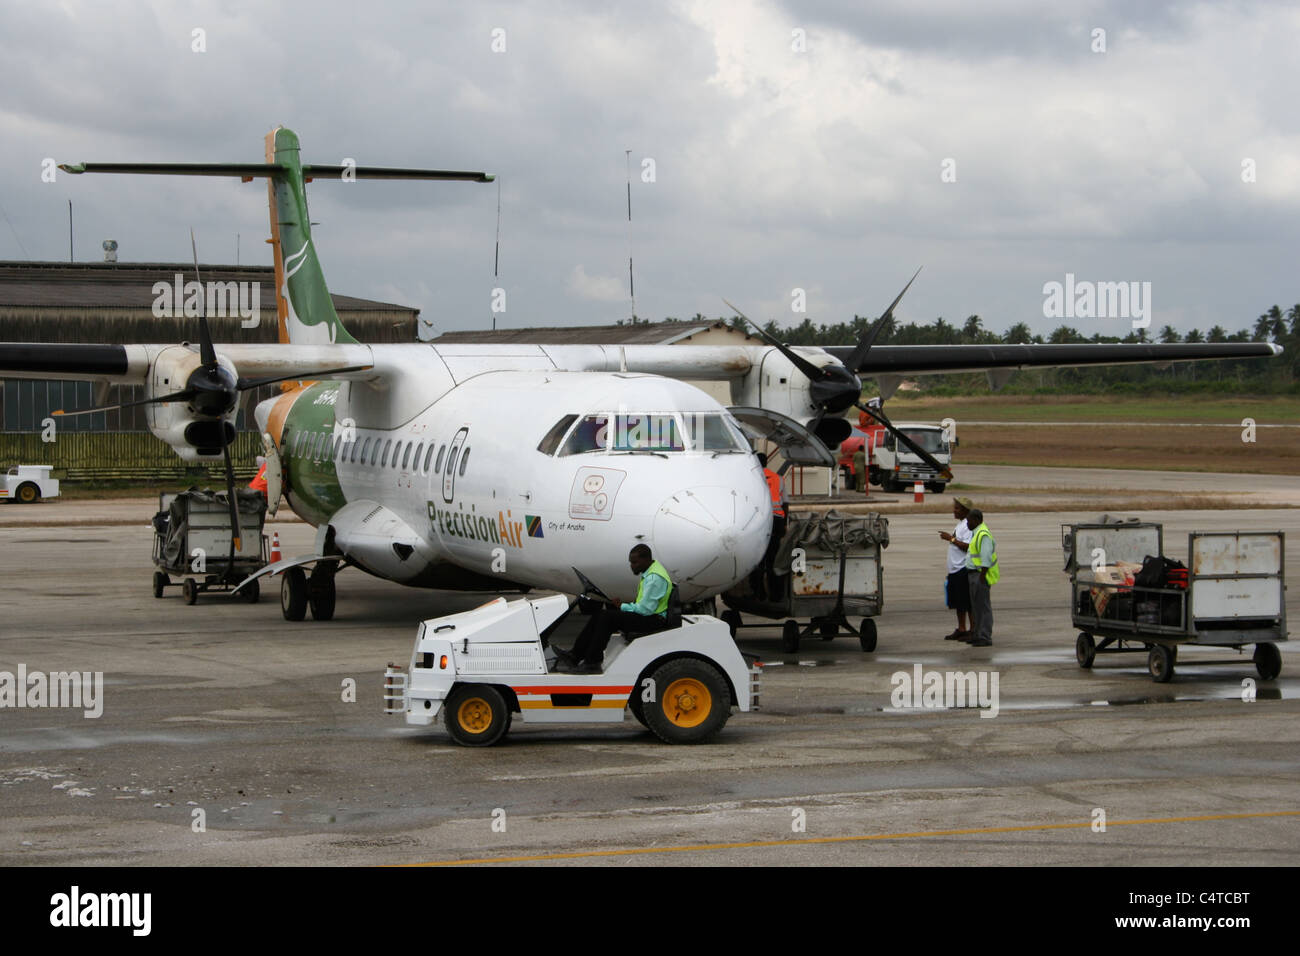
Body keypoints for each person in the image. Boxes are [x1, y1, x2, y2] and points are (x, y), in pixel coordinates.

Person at [557, 544, 674, 673]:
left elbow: (645, 610)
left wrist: (622, 606)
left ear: (646, 559)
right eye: (630, 562)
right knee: (600, 614)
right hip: (650, 615)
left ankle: (593, 663)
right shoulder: (651, 571)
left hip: (653, 620)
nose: (632, 566)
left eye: (635, 562)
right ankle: (575, 655)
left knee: (607, 618)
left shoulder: (654, 578)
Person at [751, 451, 787, 600]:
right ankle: (776, 595)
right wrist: (785, 523)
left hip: (759, 522)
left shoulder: (751, 478)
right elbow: (785, 503)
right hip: (777, 520)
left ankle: (758, 594)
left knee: (757, 561)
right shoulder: (778, 478)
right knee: (773, 561)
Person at [937, 496, 974, 640]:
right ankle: (962, 628)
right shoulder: (960, 524)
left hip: (962, 568)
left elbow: (968, 547)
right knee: (959, 602)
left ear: (965, 511)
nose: (954, 510)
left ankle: (973, 629)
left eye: (957, 508)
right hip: (955, 569)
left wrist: (950, 539)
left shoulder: (968, 525)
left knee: (967, 602)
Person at [963, 508, 999, 647]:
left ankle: (985, 636)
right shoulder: (977, 532)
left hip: (979, 575)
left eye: (969, 521)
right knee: (976, 607)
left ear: (976, 520)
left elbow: (986, 558)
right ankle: (977, 634)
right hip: (974, 574)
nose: (967, 523)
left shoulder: (983, 534)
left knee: (983, 607)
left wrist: (982, 577)